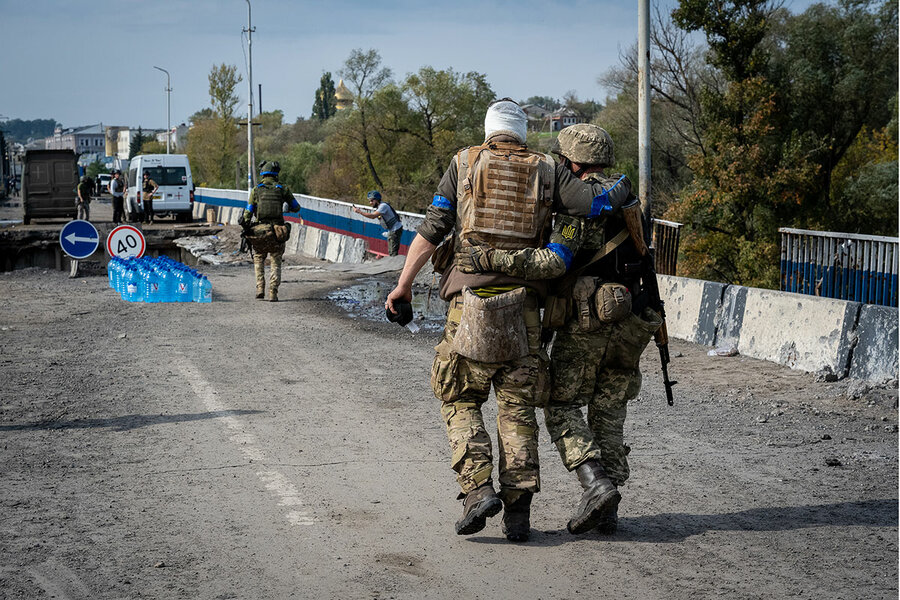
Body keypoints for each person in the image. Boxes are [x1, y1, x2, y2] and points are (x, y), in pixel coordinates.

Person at [385, 99, 634, 542]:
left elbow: (432, 228)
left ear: (488, 131)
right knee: (517, 410)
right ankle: (519, 518)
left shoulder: (463, 162)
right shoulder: (548, 169)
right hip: (525, 310)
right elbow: (590, 205)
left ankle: (477, 490)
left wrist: (402, 285)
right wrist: (621, 189)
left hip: (470, 305)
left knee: (458, 397)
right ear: (522, 133)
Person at [457, 123, 662, 535]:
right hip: (635, 318)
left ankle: (597, 484)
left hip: (588, 320)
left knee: (561, 404)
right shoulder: (629, 198)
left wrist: (492, 259)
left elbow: (554, 263)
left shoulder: (578, 205)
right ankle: (609, 507)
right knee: (609, 405)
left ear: (570, 161)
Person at [240, 160, 300, 302]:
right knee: (275, 260)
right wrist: (287, 207)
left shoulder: (256, 190)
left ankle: (260, 288)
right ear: (275, 174)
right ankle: (273, 292)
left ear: (263, 174)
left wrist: (246, 227)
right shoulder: (282, 189)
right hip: (277, 233)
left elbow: (248, 212)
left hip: (260, 232)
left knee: (259, 258)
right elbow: (297, 207)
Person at [353, 191, 404, 256]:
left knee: (392, 252)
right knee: (391, 251)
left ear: (376, 200)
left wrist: (360, 212)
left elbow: (372, 216)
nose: (370, 203)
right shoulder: (381, 206)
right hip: (393, 230)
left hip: (395, 230)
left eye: (371, 201)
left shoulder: (383, 206)